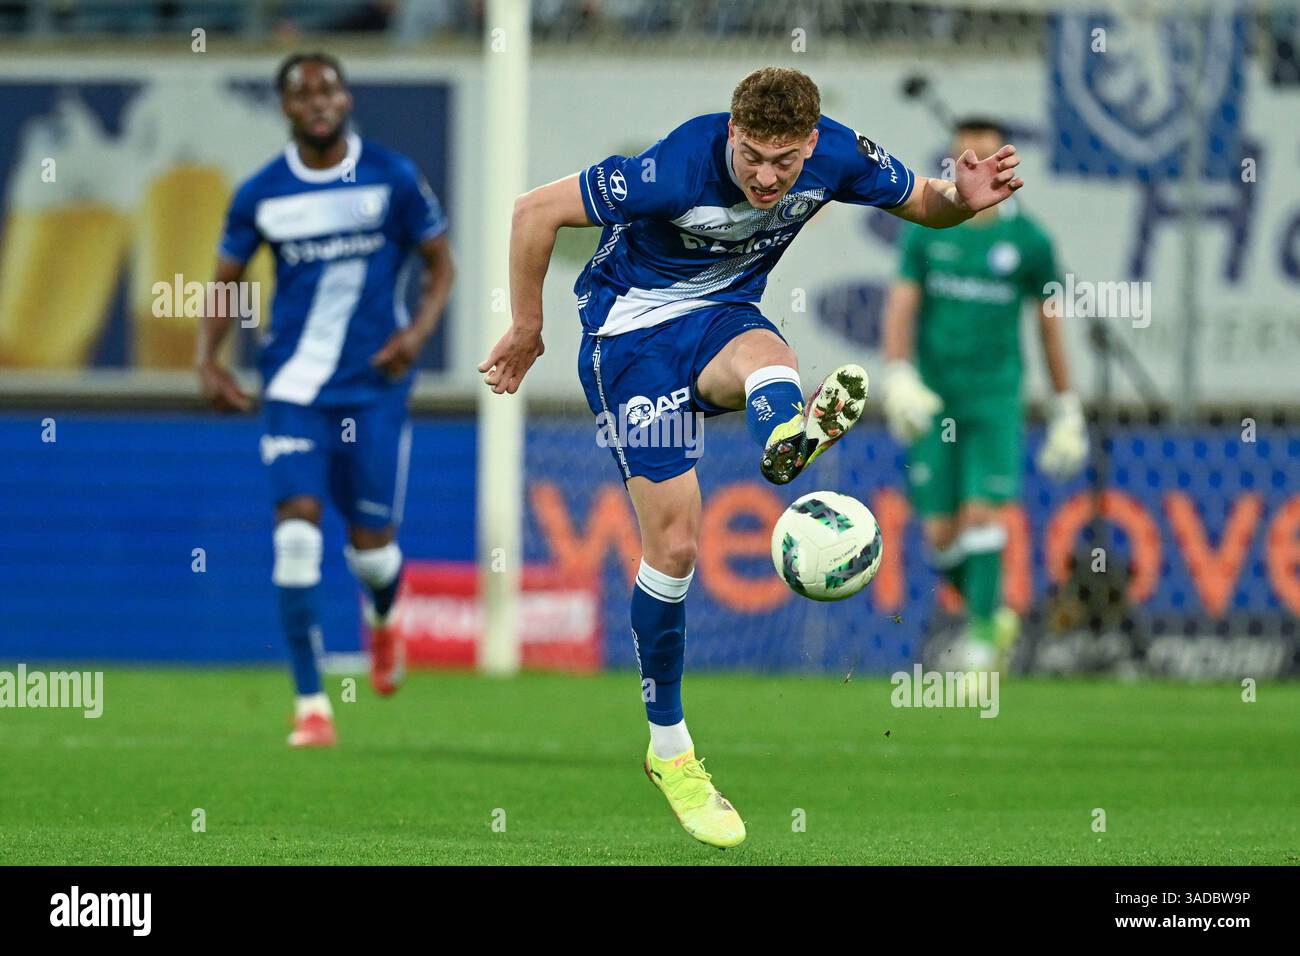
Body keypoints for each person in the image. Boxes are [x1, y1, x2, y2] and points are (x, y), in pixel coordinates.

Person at [480, 67, 1023, 848]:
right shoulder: (670, 168)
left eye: (785, 161)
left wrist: (960, 202)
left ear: (810, 143)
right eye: (753, 158)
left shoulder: (837, 155)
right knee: (675, 546)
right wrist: (528, 326)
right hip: (629, 344)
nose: (768, 178)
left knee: (771, 352)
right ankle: (670, 751)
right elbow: (534, 212)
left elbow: (927, 204)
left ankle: (781, 436)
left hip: (722, 318)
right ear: (732, 134)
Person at [197, 52, 455, 747]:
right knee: (296, 533)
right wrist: (207, 359)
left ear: (345, 99)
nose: (318, 100)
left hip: (373, 387)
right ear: (285, 107)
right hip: (293, 389)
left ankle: (383, 616)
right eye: (303, 91)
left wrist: (416, 335)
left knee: (372, 552)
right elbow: (225, 280)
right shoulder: (260, 194)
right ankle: (312, 704)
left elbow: (441, 266)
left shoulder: (393, 178)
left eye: (329, 88)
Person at [881, 117, 1087, 676]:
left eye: (983, 157)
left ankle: (977, 649)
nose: (972, 166)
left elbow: (1048, 322)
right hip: (934, 398)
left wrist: (1065, 407)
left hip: (994, 398)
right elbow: (901, 304)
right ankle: (990, 616)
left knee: (981, 514)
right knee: (940, 535)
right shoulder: (926, 229)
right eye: (962, 158)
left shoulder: (1029, 240)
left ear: (1004, 165)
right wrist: (898, 373)